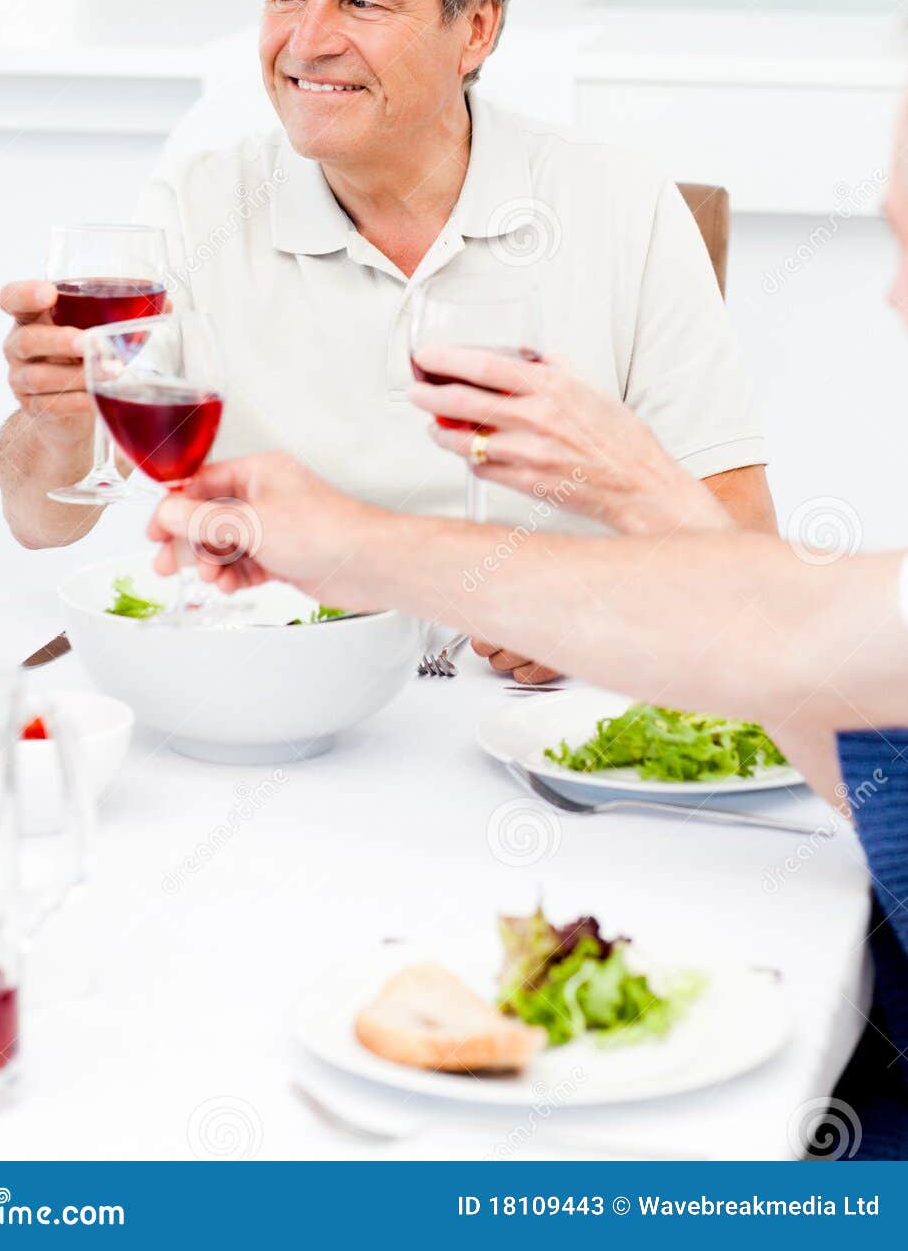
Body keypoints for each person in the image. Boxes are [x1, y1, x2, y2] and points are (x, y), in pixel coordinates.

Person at [146, 112, 908, 1159]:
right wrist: (651, 508)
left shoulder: (610, 201)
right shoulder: (204, 205)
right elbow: (837, 680)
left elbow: (821, 633)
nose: (892, 295)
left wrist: (365, 541)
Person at [0, 0, 775, 682]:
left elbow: (745, 550)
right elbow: (38, 519)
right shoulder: (199, 201)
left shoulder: (619, 206)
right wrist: (55, 420)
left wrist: (608, 608)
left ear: (474, 28)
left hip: (537, 721)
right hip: (281, 700)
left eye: (360, 1)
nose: (308, 41)